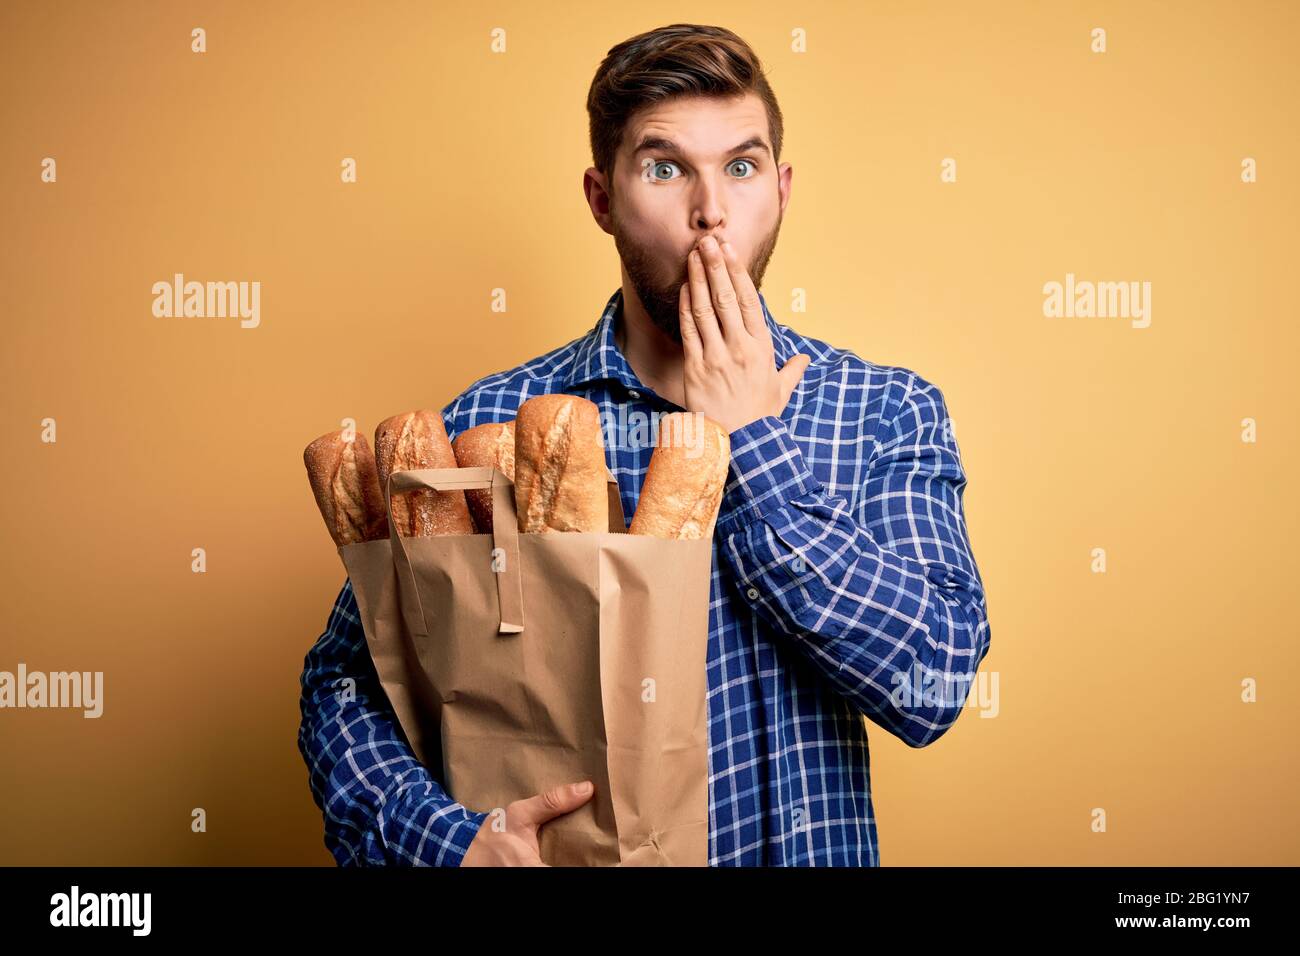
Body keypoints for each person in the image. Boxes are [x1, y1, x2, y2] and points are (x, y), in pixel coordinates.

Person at [298, 22, 991, 867]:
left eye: (741, 166)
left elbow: (937, 679)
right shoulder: (495, 422)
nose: (710, 211)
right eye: (665, 168)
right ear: (601, 199)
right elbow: (345, 682)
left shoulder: (882, 409)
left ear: (781, 187)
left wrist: (750, 440)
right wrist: (448, 846)